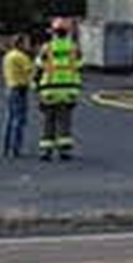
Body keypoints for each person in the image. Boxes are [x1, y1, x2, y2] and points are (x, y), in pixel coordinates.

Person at [36, 17, 83, 161]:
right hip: (68, 90)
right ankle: (64, 151)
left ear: (53, 32)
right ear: (67, 32)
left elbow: (39, 65)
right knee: (65, 121)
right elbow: (79, 65)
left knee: (48, 121)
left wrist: (36, 85)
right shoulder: (74, 48)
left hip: (50, 90)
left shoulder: (47, 48)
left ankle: (46, 150)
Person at [1, 34, 35, 158]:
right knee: (19, 120)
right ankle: (16, 148)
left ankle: (6, 147)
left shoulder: (8, 56)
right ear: (20, 44)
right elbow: (31, 70)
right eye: (26, 43)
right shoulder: (21, 57)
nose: (28, 45)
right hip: (20, 88)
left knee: (9, 119)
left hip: (10, 87)